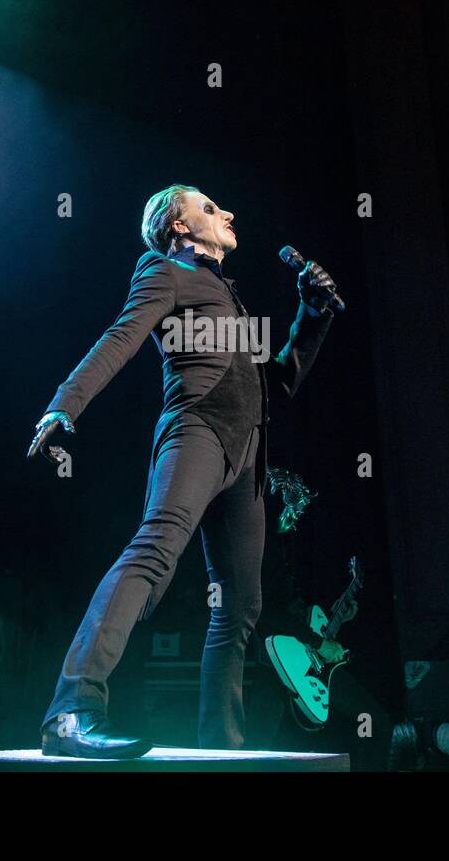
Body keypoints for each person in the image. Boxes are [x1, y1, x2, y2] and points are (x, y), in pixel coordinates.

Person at [27, 184, 340, 757]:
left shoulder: (225, 293)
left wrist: (312, 313)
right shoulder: (164, 271)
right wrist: (64, 403)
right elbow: (121, 336)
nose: (227, 212)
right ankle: (71, 711)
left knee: (240, 604)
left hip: (247, 456)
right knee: (154, 553)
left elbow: (278, 383)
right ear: (179, 228)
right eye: (210, 208)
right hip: (196, 431)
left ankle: (222, 747)